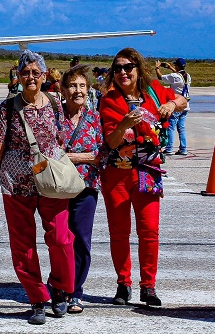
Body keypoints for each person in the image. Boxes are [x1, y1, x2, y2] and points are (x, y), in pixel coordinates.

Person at [0, 50, 74, 325]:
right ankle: (37, 298)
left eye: (36, 73)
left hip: (50, 182)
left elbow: (62, 142)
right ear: (18, 76)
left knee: (60, 239)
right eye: (25, 73)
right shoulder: (7, 108)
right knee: (23, 246)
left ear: (44, 75)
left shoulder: (56, 104)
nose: (31, 77)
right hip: (16, 184)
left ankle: (60, 288)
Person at [98, 48, 187, 308]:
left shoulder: (154, 91)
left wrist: (171, 104)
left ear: (138, 69)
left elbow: (182, 100)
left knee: (149, 231)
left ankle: (148, 285)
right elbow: (111, 141)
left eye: (128, 67)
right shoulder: (109, 100)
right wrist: (124, 125)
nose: (122, 72)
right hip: (117, 174)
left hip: (148, 173)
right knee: (119, 232)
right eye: (117, 68)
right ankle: (123, 283)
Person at [59, 64, 106, 313]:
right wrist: (84, 157)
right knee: (59, 239)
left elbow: (102, 154)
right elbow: (47, 152)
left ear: (88, 90)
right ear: (63, 90)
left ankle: (75, 291)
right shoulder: (54, 117)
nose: (77, 91)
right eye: (72, 86)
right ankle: (59, 286)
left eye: (82, 86)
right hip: (57, 187)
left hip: (86, 187)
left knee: (81, 239)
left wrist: (72, 157)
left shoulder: (95, 118)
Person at [155, 58, 191, 155]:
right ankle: (183, 149)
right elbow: (179, 75)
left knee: (170, 127)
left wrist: (157, 68)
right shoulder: (187, 76)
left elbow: (160, 77)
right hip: (185, 105)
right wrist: (170, 68)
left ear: (177, 66)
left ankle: (169, 148)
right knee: (181, 128)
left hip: (176, 105)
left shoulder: (174, 76)